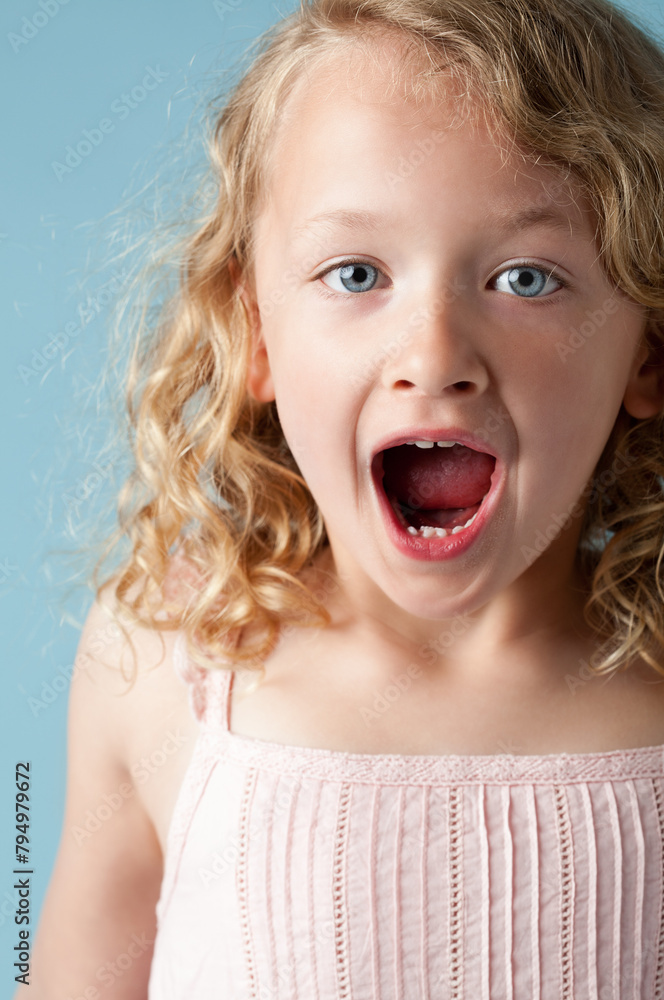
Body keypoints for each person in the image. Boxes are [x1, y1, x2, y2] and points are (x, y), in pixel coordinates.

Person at [21, 0, 664, 996]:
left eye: (525, 277)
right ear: (258, 336)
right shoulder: (165, 657)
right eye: (356, 271)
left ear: (647, 353)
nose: (434, 357)